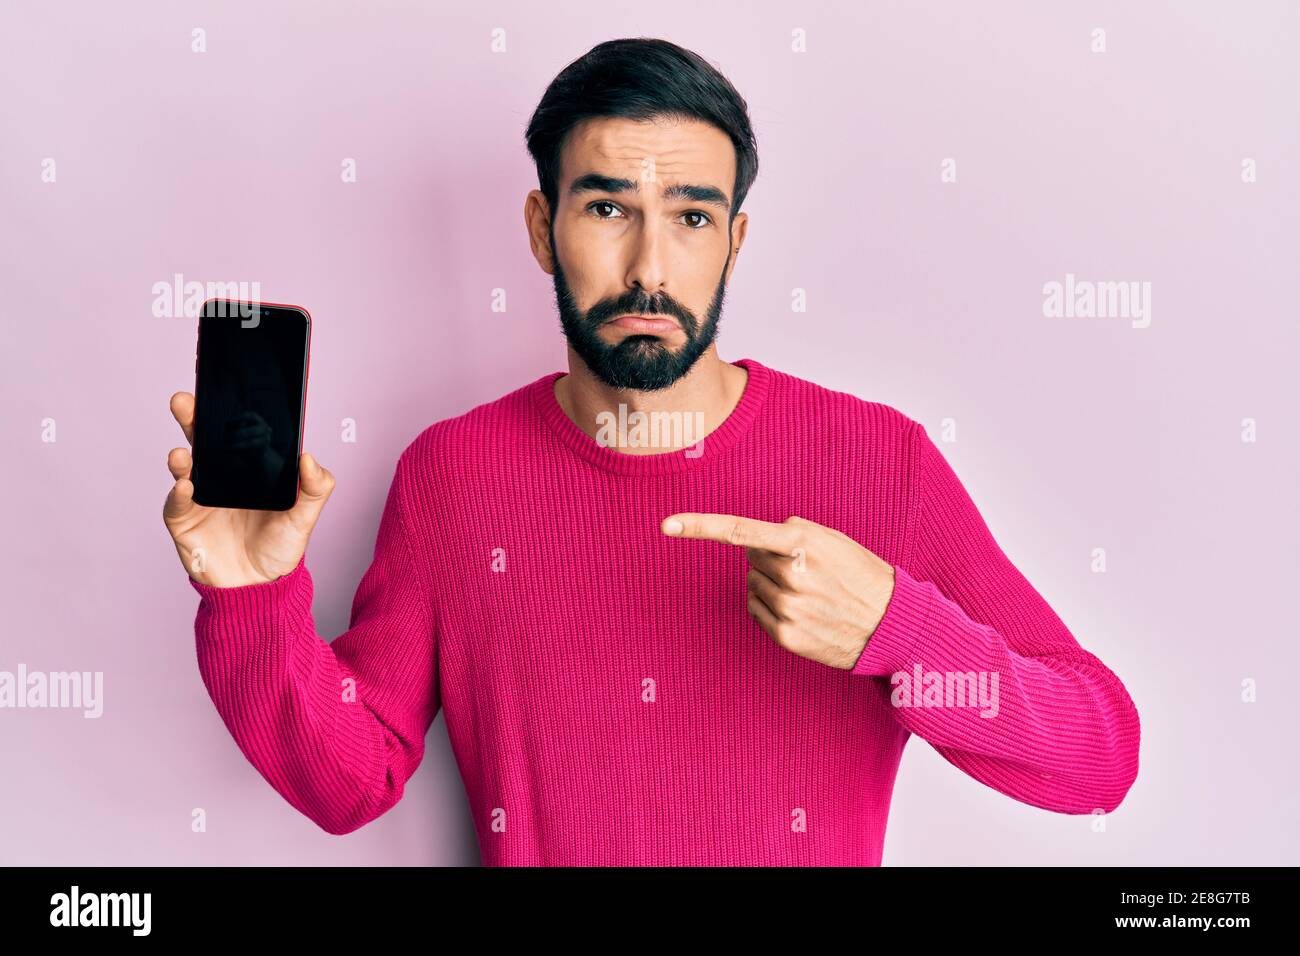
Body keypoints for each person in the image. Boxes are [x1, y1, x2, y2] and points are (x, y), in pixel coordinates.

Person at [163, 37, 1140, 866]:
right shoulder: (449, 477)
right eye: (605, 208)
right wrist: (251, 598)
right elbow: (348, 779)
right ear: (544, 229)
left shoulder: (880, 459)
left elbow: (1098, 753)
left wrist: (897, 631)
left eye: (690, 217)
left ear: (734, 240)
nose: (648, 267)